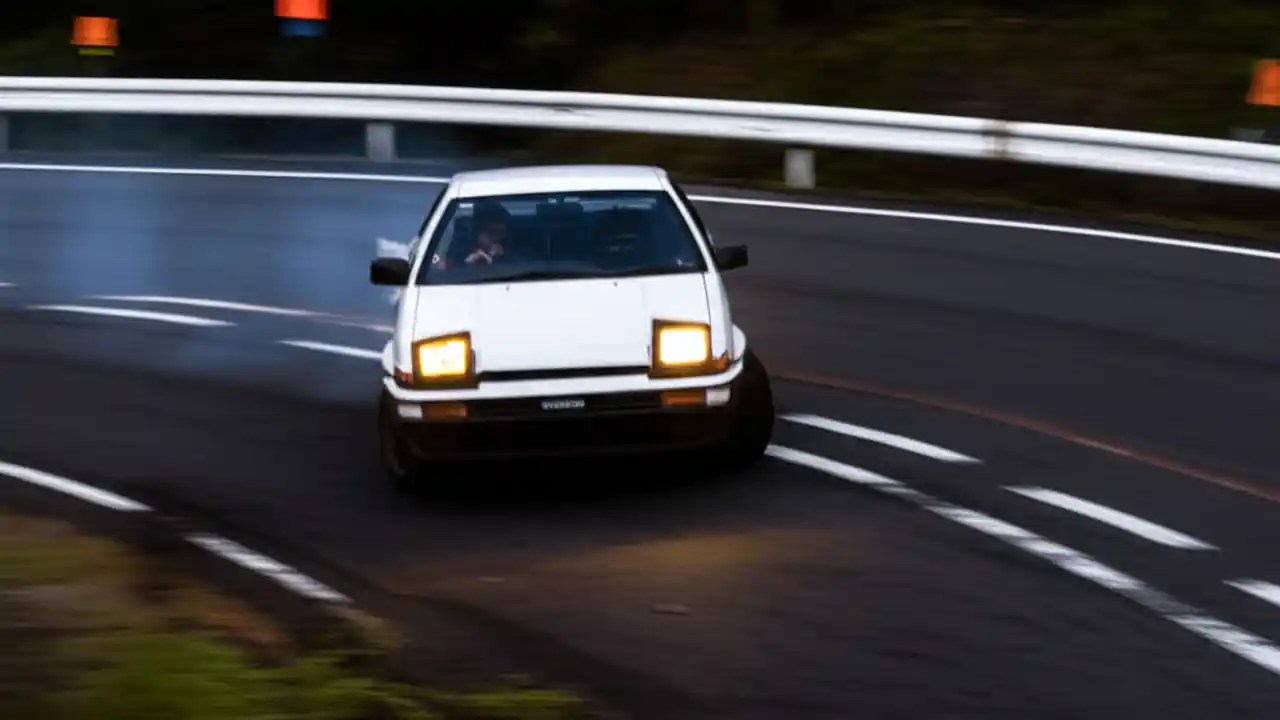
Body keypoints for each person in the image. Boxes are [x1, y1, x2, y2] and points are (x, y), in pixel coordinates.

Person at [465, 200, 510, 265]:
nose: (495, 239)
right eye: (491, 233)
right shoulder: (460, 256)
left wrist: (498, 260)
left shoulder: (517, 261)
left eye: (499, 232)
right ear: (478, 234)